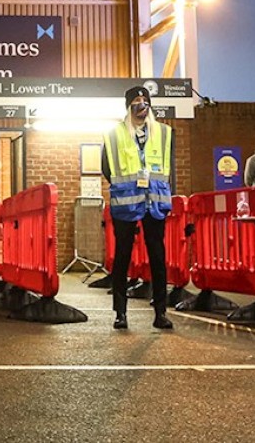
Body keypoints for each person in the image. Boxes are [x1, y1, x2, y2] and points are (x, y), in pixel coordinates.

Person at [102, 85, 174, 331]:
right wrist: (127, 187)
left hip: (154, 202)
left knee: (157, 257)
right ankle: (120, 313)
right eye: (136, 101)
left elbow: (168, 166)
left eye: (145, 100)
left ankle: (161, 313)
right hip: (127, 202)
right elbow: (107, 167)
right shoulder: (114, 135)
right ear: (128, 106)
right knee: (122, 257)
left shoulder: (163, 133)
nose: (141, 104)